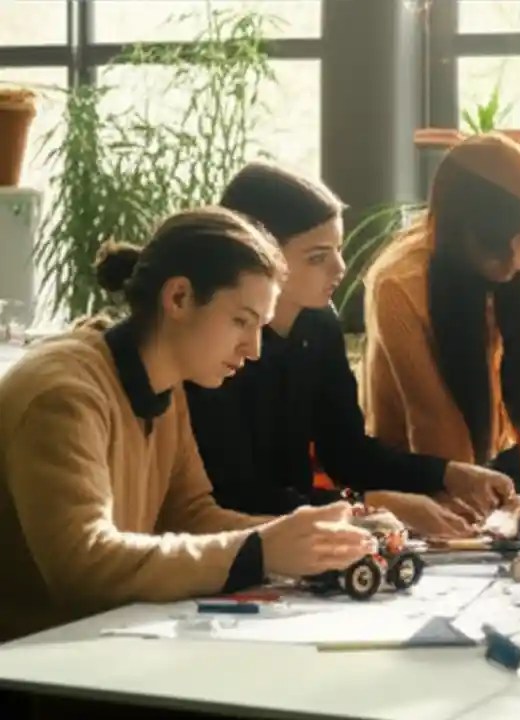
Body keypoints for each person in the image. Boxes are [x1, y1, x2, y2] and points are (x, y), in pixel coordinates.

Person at [0, 207, 374, 643]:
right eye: (241, 321)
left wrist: (316, 540)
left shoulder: (166, 385)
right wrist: (259, 550)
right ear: (178, 298)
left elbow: (190, 515)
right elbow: (84, 566)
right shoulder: (63, 395)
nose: (254, 350)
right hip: (34, 675)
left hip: (99, 654)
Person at [184, 162, 514, 537]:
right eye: (317, 257)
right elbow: (234, 495)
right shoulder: (214, 346)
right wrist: (371, 506)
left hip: (299, 536)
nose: (340, 268)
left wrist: (448, 474)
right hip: (236, 537)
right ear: (258, 256)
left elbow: (348, 452)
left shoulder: (318, 323)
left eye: (338, 250)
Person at [362, 133, 520, 495]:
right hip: (414, 470)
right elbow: (431, 418)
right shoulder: (398, 284)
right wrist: (467, 526)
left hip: (493, 453)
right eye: (495, 244)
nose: (515, 256)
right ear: (458, 231)